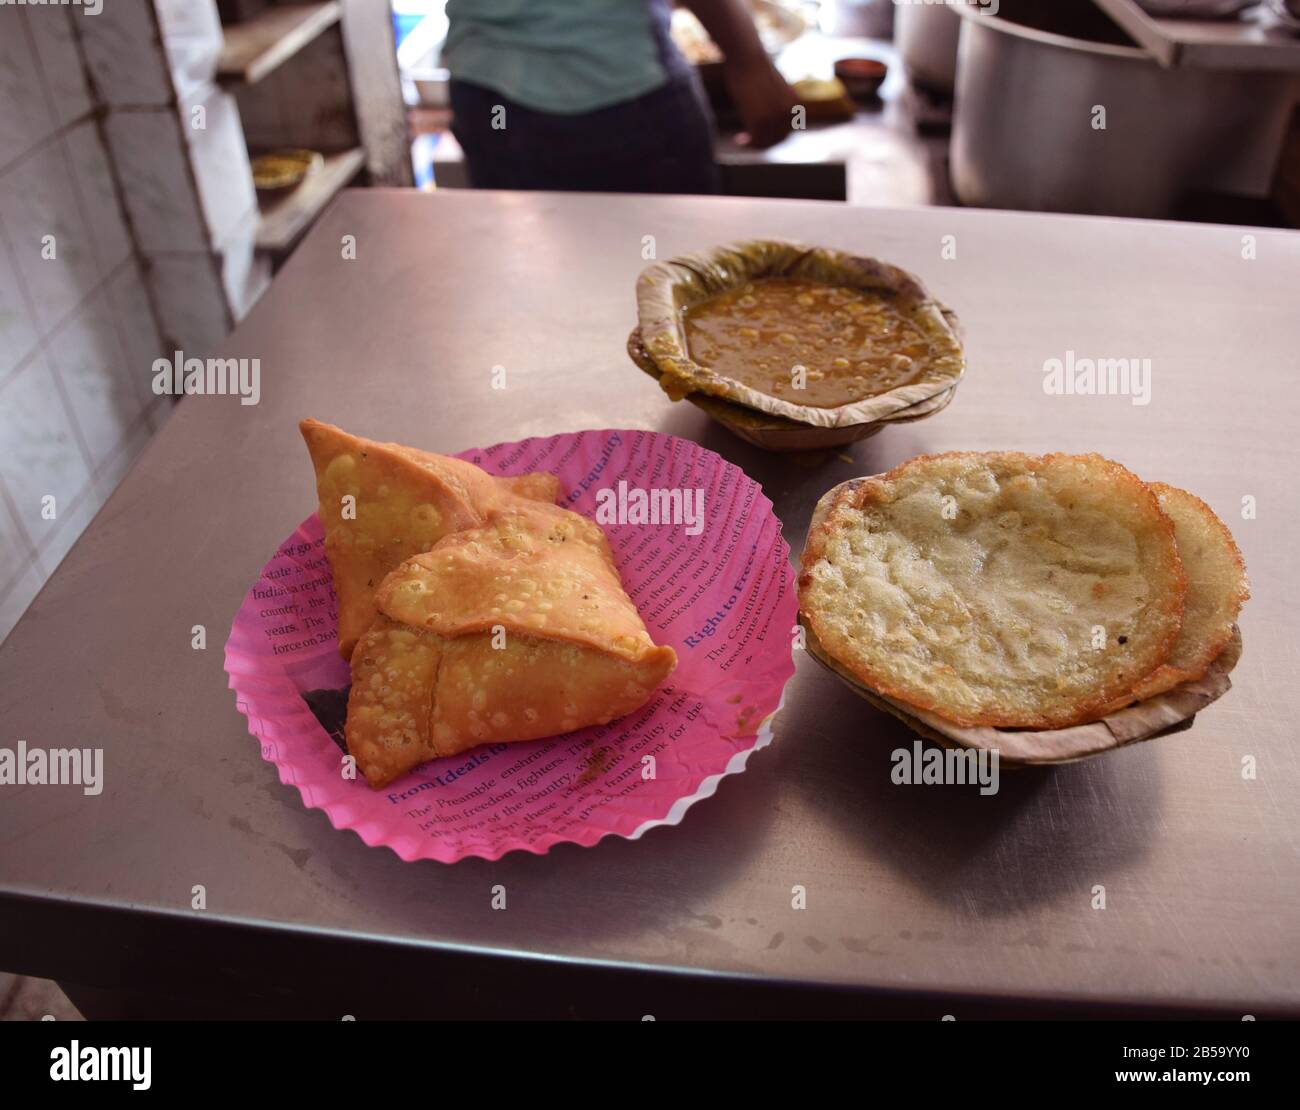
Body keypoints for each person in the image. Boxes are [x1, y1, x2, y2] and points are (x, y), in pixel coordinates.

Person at [441, 0, 797, 193]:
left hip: (487, 89)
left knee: (535, 291)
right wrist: (749, 61)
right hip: (623, 91)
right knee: (671, 280)